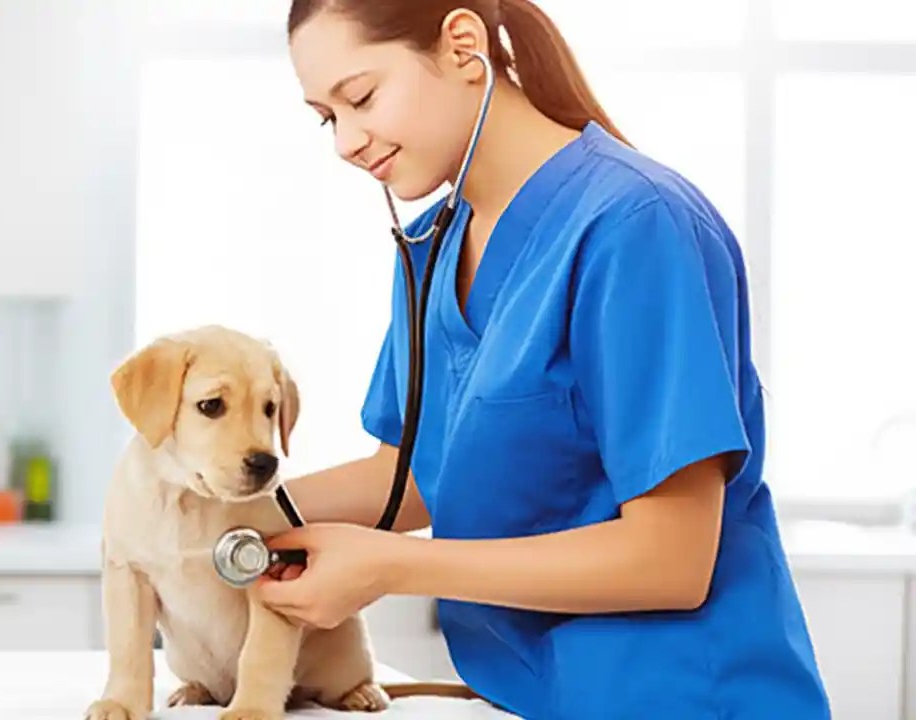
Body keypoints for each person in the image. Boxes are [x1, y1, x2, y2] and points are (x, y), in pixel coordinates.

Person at [255, 1, 832, 717]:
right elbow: (418, 476)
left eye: (361, 97)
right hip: (530, 697)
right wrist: (220, 512)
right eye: (325, 116)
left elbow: (672, 560)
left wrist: (393, 568)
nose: (344, 141)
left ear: (464, 45)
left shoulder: (636, 228)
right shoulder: (435, 248)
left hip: (682, 698)